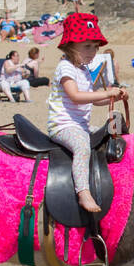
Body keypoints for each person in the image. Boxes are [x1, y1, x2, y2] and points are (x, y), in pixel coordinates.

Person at [49, 13, 127, 214]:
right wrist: (107, 91)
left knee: (107, 137)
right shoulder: (65, 67)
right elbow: (75, 96)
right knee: (82, 147)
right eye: (86, 46)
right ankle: (83, 192)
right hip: (63, 126)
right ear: (70, 45)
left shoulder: (83, 69)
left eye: (95, 46)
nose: (92, 52)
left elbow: (93, 98)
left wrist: (114, 97)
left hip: (81, 126)